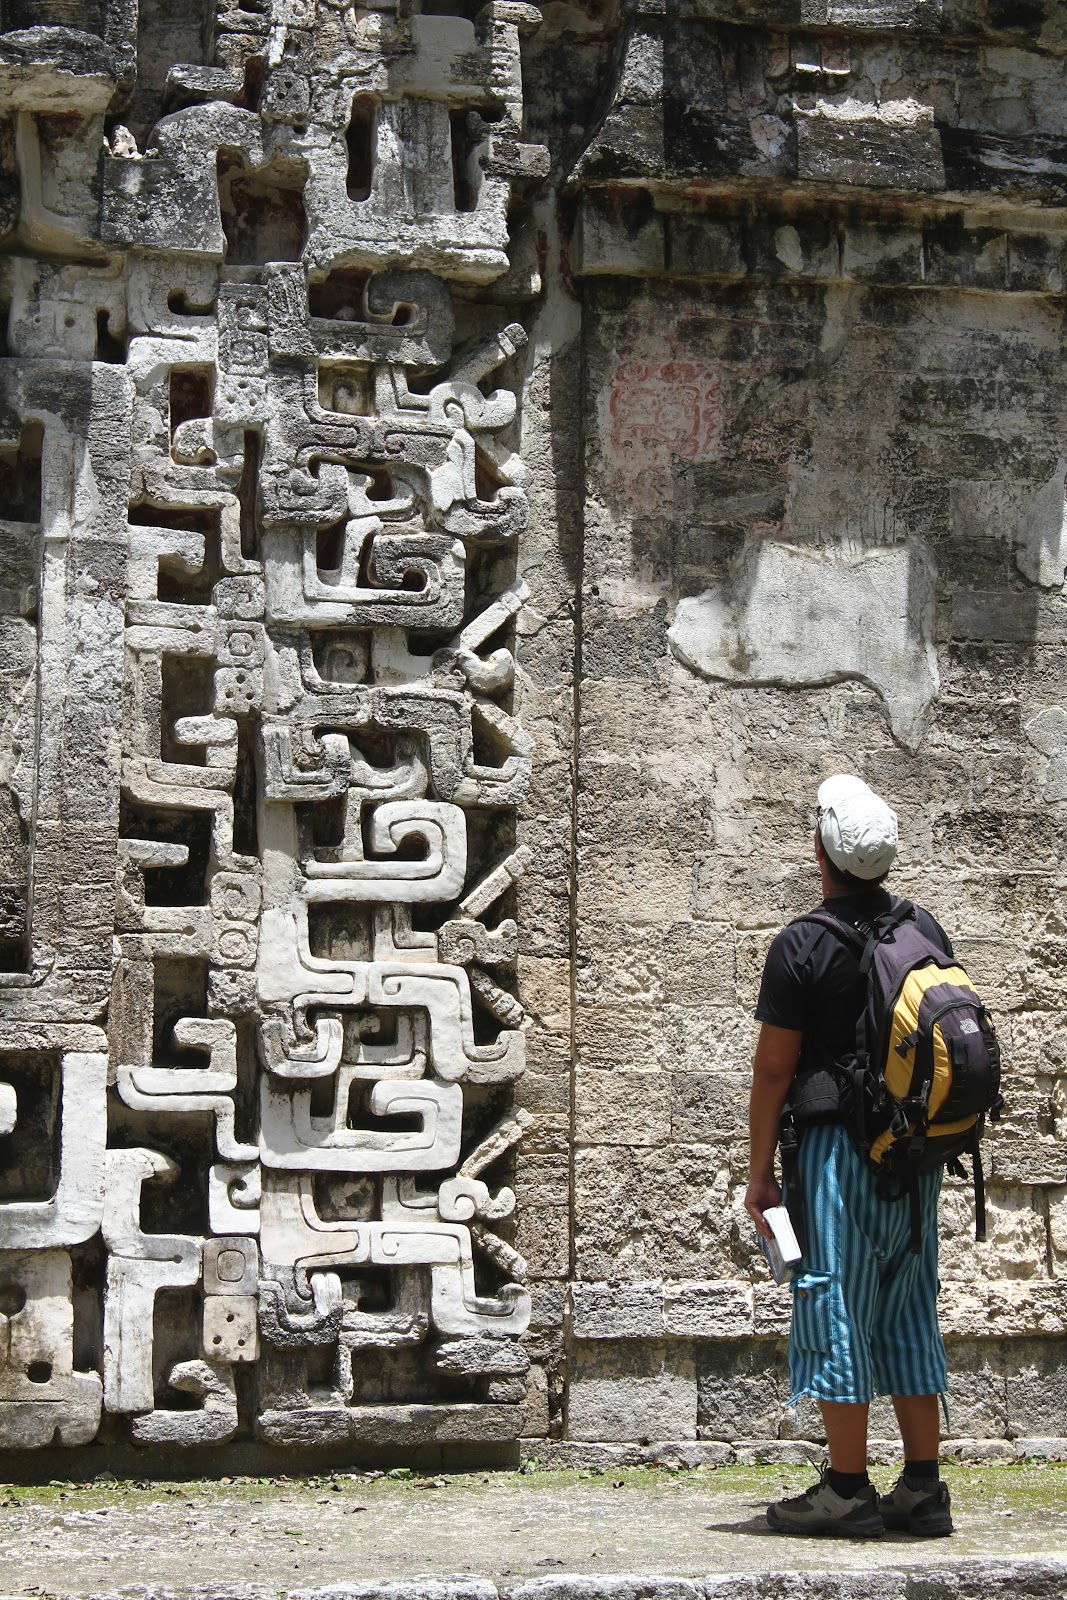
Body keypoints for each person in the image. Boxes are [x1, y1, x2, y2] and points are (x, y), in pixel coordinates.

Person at [744, 774, 955, 1539]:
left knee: (833, 1295)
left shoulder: (802, 941)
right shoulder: (921, 926)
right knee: (907, 1298)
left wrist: (758, 1171)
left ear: (820, 850)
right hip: (914, 1155)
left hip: (838, 1151)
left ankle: (845, 1486)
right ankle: (923, 1486)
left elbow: (774, 1070)